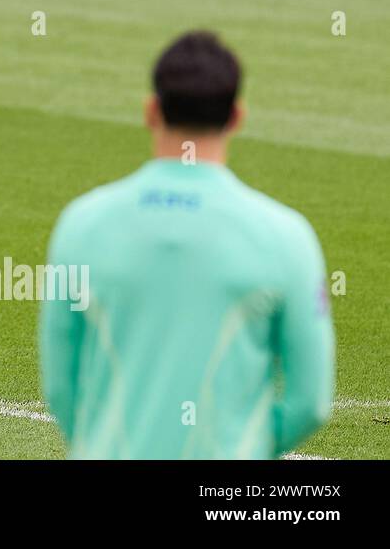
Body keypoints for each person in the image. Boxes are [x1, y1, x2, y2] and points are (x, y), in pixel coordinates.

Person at [39, 31, 334, 458]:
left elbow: (61, 385)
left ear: (151, 111)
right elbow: (311, 402)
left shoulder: (82, 225)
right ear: (237, 116)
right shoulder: (286, 237)